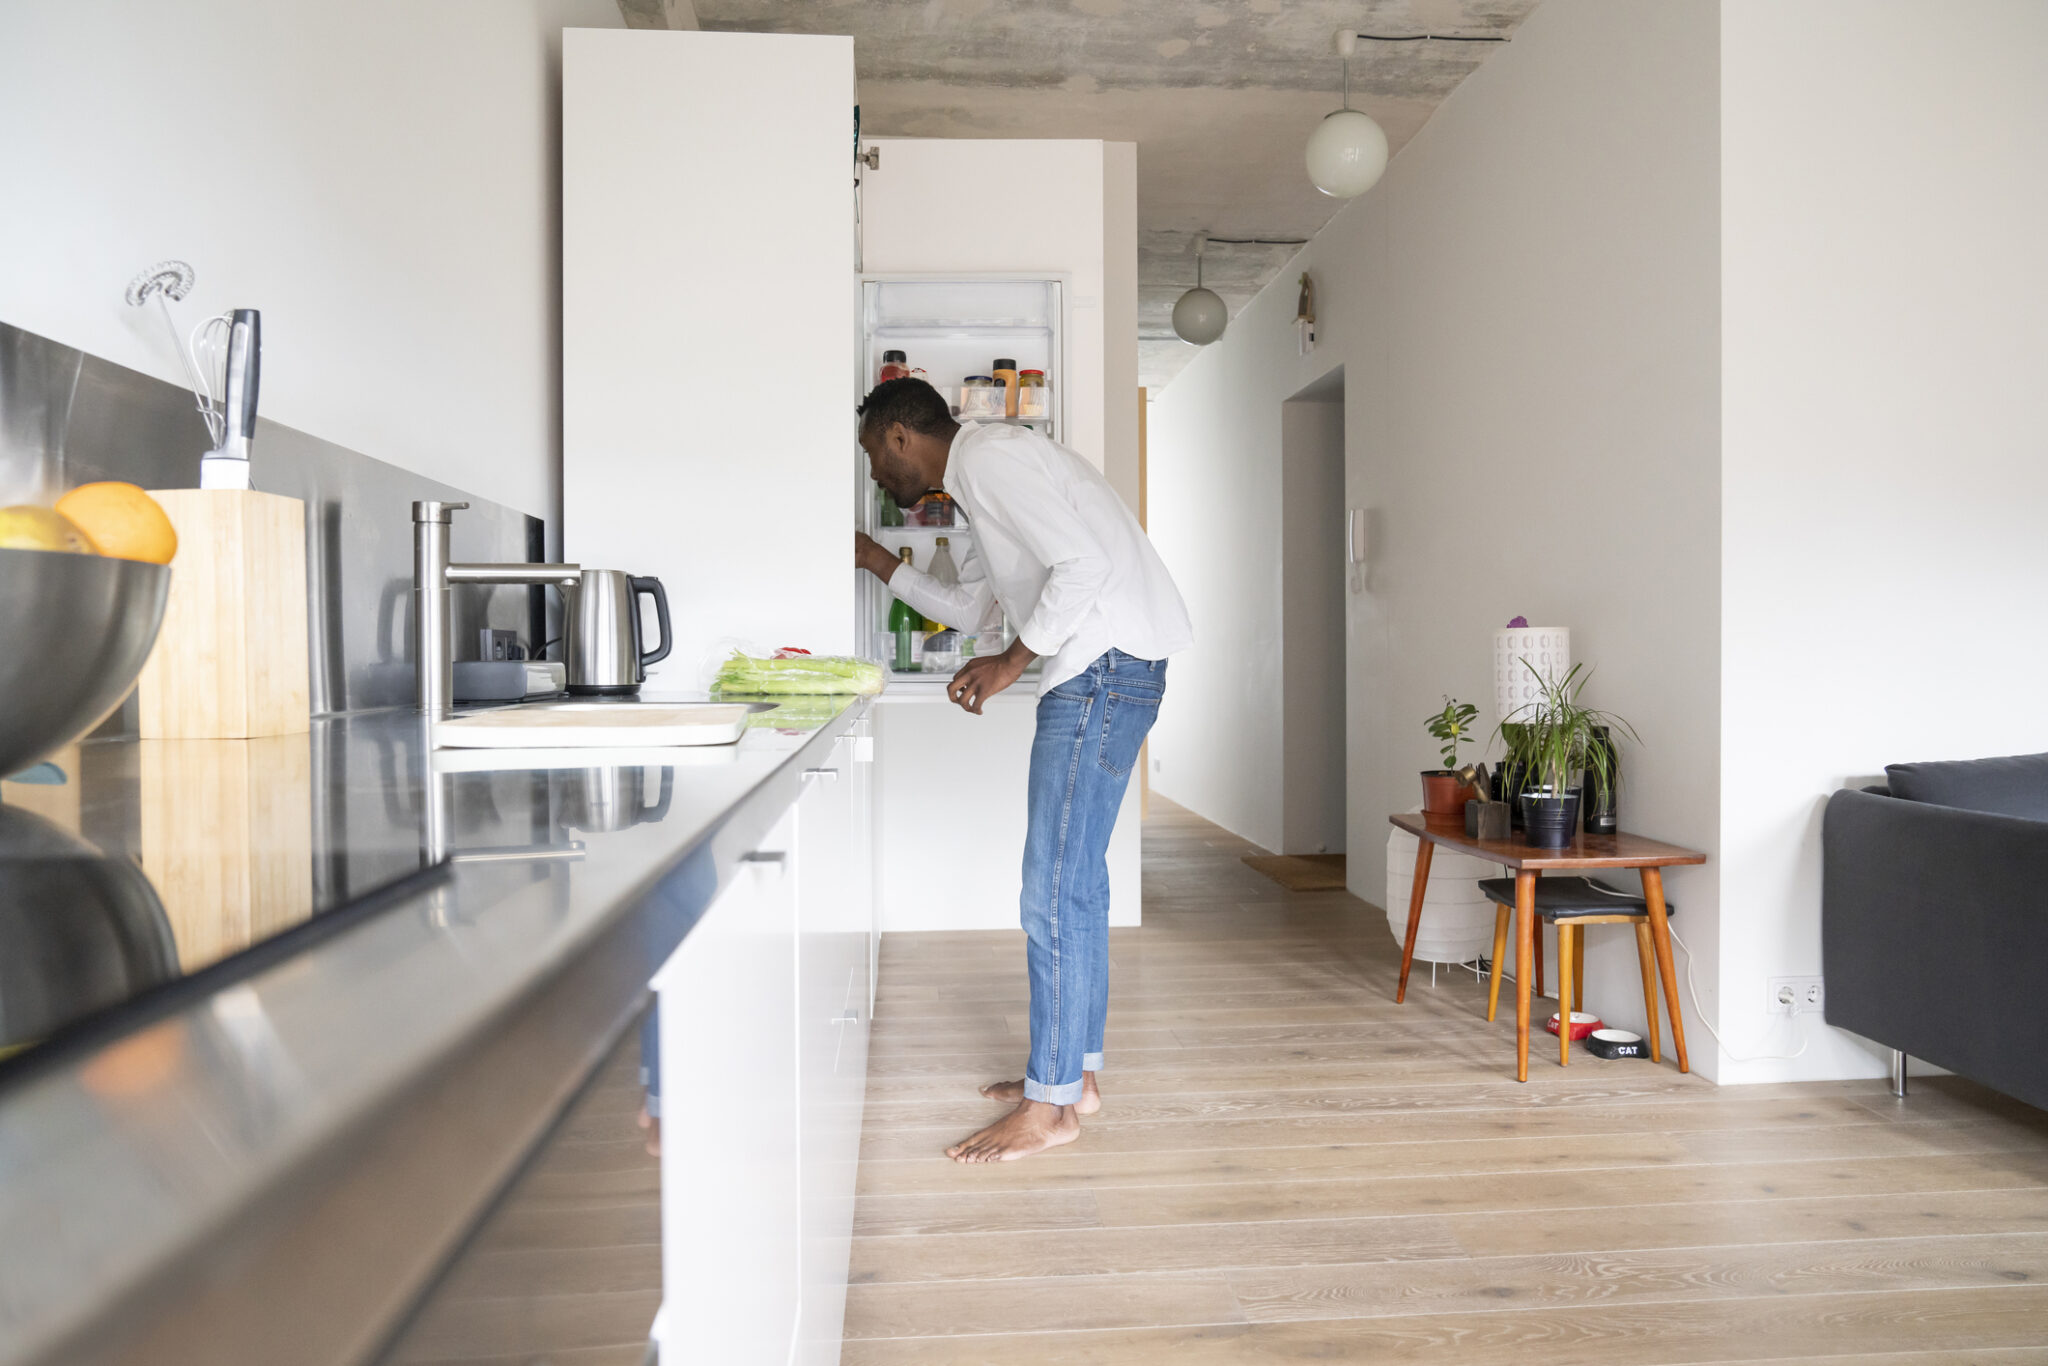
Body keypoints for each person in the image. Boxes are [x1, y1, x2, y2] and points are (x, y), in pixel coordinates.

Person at [853, 377, 1193, 1162]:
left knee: (1053, 889)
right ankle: (1074, 1078)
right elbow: (977, 606)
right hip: (1114, 666)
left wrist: (1011, 663)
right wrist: (878, 562)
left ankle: (1050, 1109)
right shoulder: (984, 475)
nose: (876, 475)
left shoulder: (992, 458)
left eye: (875, 457)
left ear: (901, 436)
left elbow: (1083, 566)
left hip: (1102, 670)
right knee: (1077, 884)